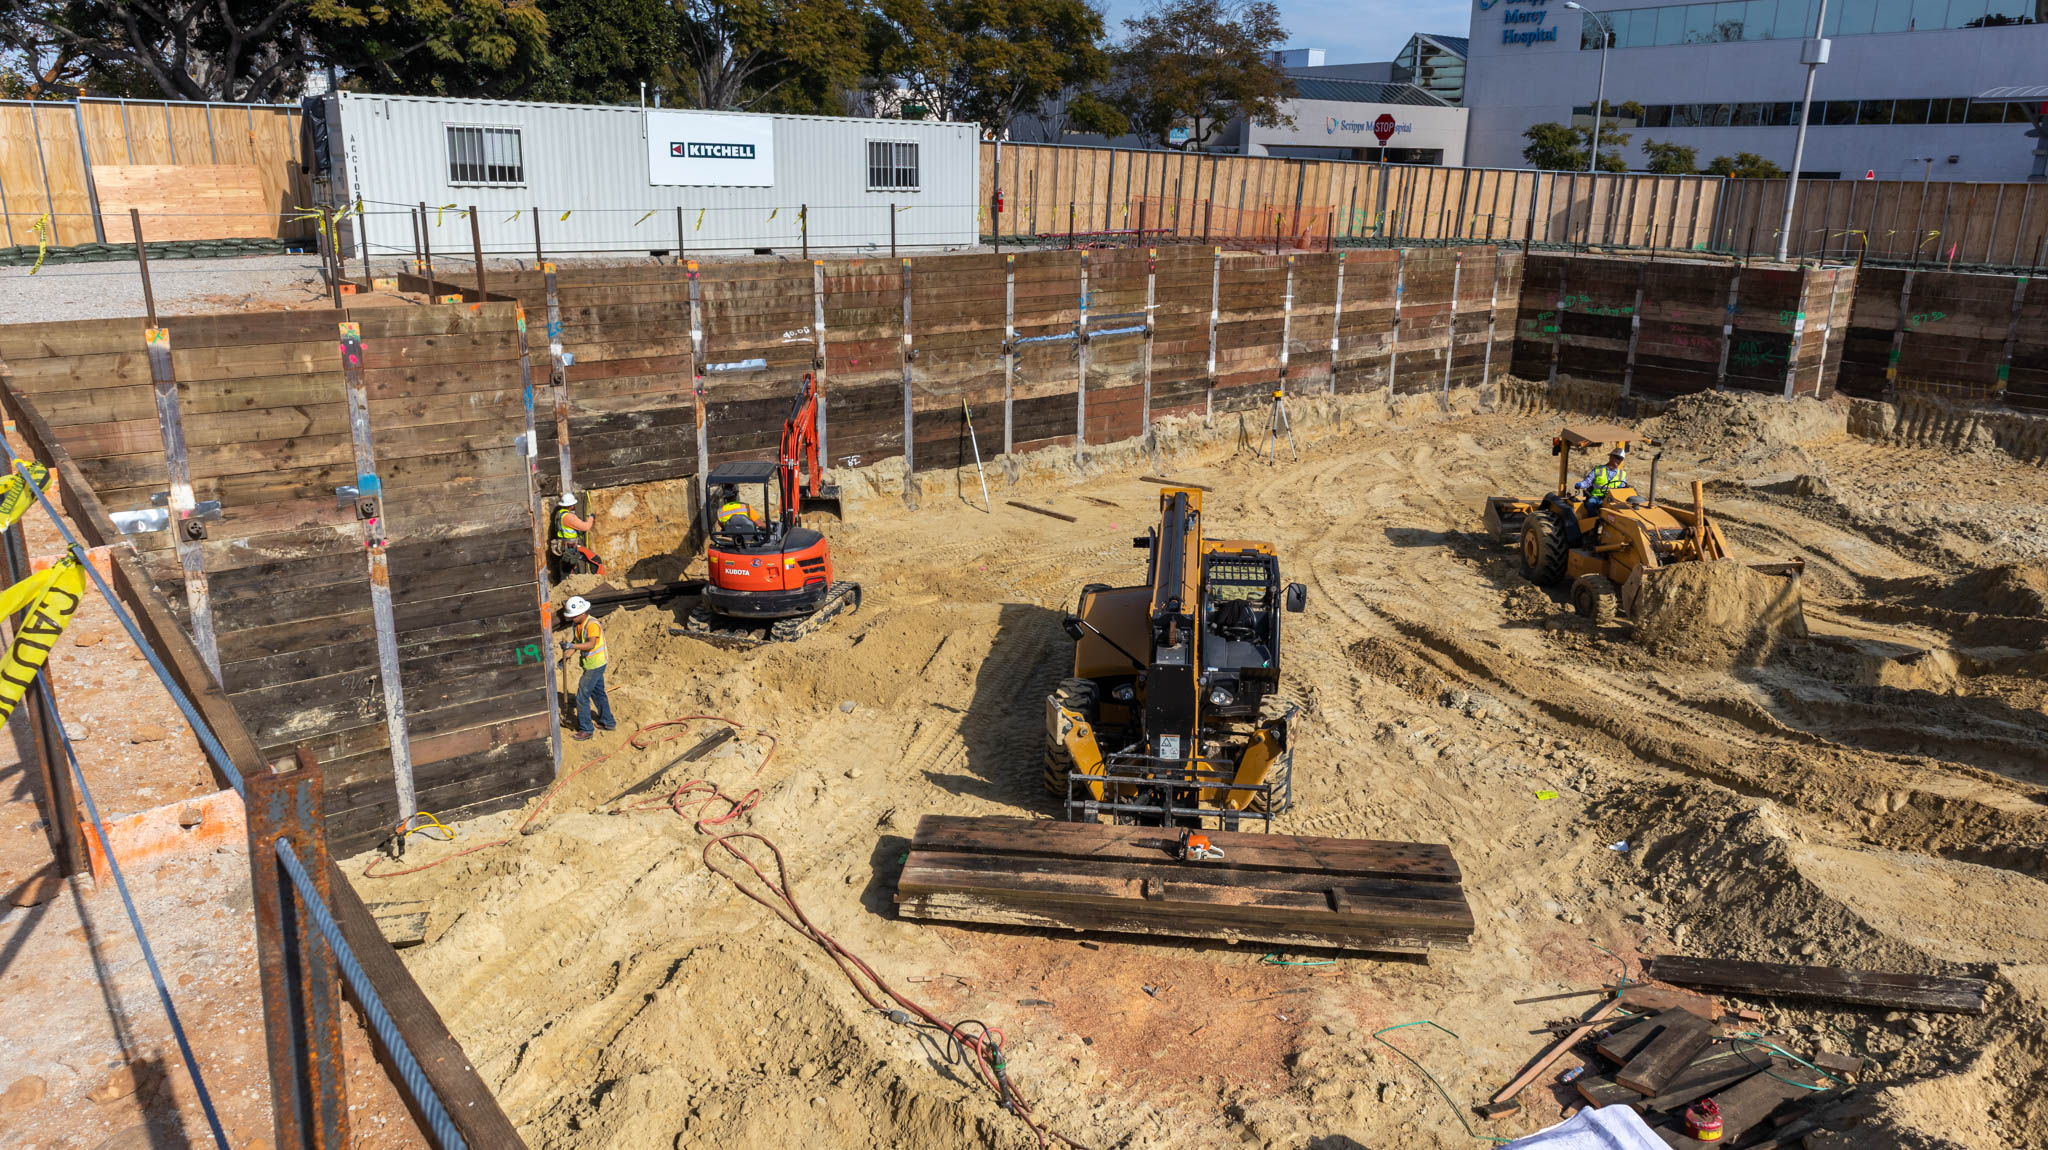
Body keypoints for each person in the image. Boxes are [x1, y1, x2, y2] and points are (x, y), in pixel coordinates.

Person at [559, 595, 614, 741]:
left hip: (596, 664)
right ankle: (608, 722)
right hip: (590, 664)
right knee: (598, 693)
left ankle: (586, 729)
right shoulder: (577, 625)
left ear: (583, 613)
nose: (572, 618)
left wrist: (571, 646)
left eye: (574, 616)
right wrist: (567, 655)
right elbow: (577, 642)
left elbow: (590, 644)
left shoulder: (592, 625)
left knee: (582, 697)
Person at [552, 492, 601, 576]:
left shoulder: (560, 514)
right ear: (570, 506)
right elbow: (585, 527)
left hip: (564, 545)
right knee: (595, 561)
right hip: (570, 547)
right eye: (573, 504)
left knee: (570, 568)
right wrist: (591, 518)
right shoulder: (569, 517)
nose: (574, 506)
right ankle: (597, 581)